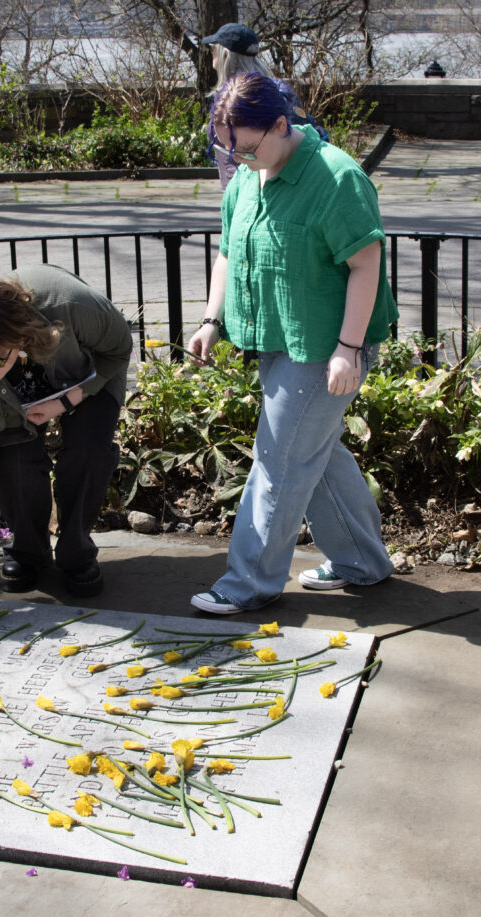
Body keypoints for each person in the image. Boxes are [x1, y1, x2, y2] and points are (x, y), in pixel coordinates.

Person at [186, 73, 398, 616]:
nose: (238, 159)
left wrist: (349, 348)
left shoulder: (337, 177)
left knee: (279, 460)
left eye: (247, 147)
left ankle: (247, 584)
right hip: (279, 338)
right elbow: (228, 252)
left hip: (326, 347)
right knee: (315, 454)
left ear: (282, 124)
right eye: (227, 149)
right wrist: (212, 319)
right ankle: (362, 561)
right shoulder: (246, 177)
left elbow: (366, 264)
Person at [0, 263, 132, 606]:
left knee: (88, 450)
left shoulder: (71, 305)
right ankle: (28, 551)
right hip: (15, 396)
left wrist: (66, 400)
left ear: (20, 338)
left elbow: (118, 350)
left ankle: (76, 552)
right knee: (15, 461)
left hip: (87, 375)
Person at [201, 22, 325, 189]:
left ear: (225, 55)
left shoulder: (240, 102)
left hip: (259, 188)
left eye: (213, 48)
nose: (211, 53)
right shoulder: (275, 90)